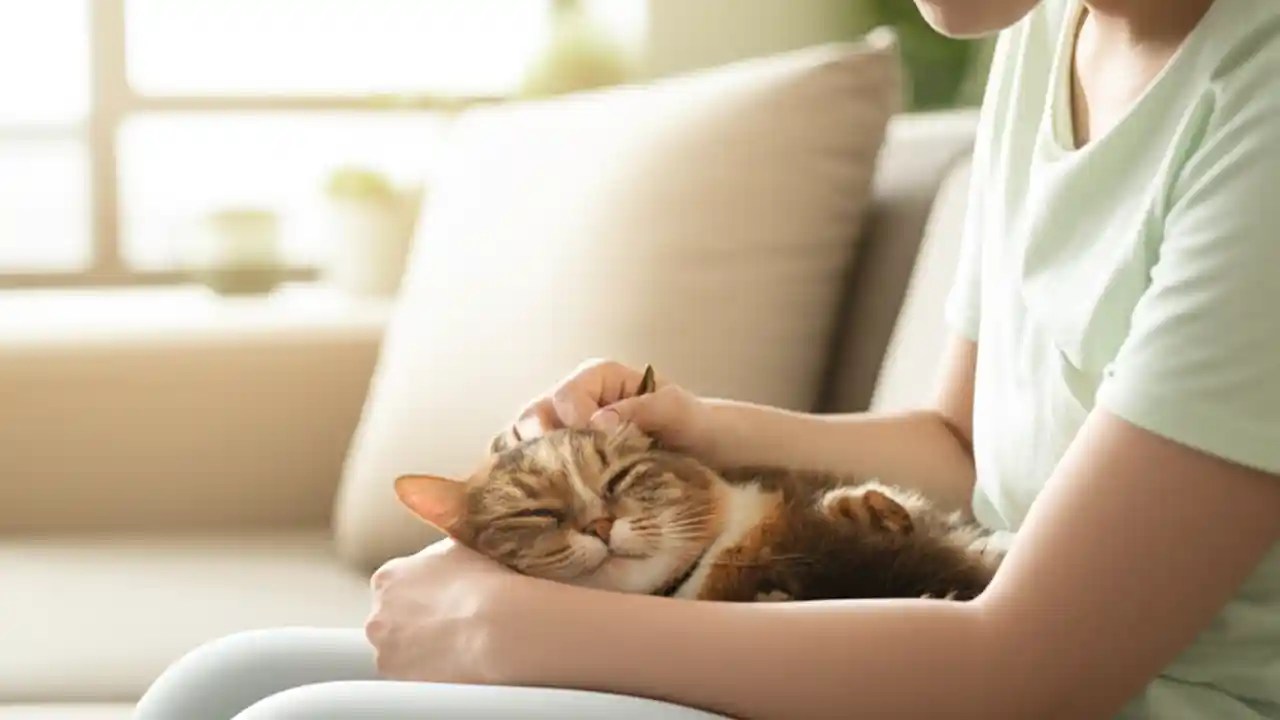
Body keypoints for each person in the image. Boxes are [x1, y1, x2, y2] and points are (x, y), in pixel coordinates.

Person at [136, 0, 1280, 717]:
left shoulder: (1257, 102)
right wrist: (703, 426)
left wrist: (515, 624)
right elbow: (961, 444)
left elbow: (1034, 669)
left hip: (1092, 697)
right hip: (966, 662)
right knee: (216, 687)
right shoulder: (1041, 30)